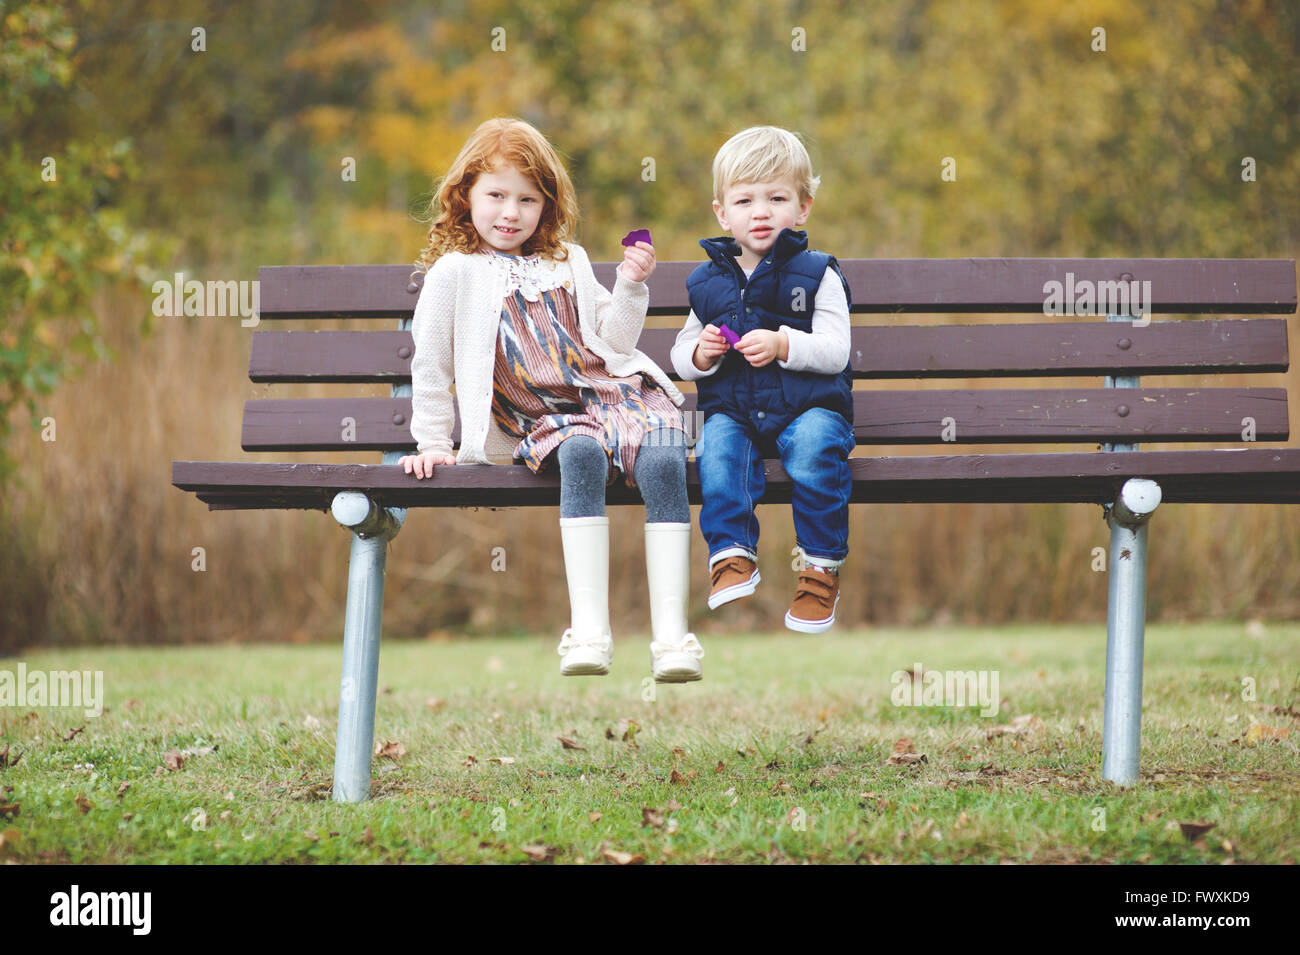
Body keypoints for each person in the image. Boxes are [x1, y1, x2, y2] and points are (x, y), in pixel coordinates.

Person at [399, 117, 704, 682]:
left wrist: (633, 287)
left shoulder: (571, 261)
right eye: (496, 195)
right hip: (547, 419)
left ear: (547, 205)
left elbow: (613, 344)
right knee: (582, 456)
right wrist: (433, 443)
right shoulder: (454, 273)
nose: (510, 213)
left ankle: (672, 638)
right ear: (465, 195)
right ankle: (588, 630)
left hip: (619, 397)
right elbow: (431, 364)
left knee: (666, 460)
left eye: (527, 199)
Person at [670, 126, 854, 633]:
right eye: (745, 199)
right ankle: (731, 555)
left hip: (808, 409)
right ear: (722, 213)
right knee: (718, 444)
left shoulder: (818, 274)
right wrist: (703, 354)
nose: (761, 211)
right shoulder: (707, 283)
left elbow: (837, 350)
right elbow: (681, 356)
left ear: (803, 207)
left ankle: (819, 569)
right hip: (737, 412)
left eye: (777, 198)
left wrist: (782, 344)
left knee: (817, 444)